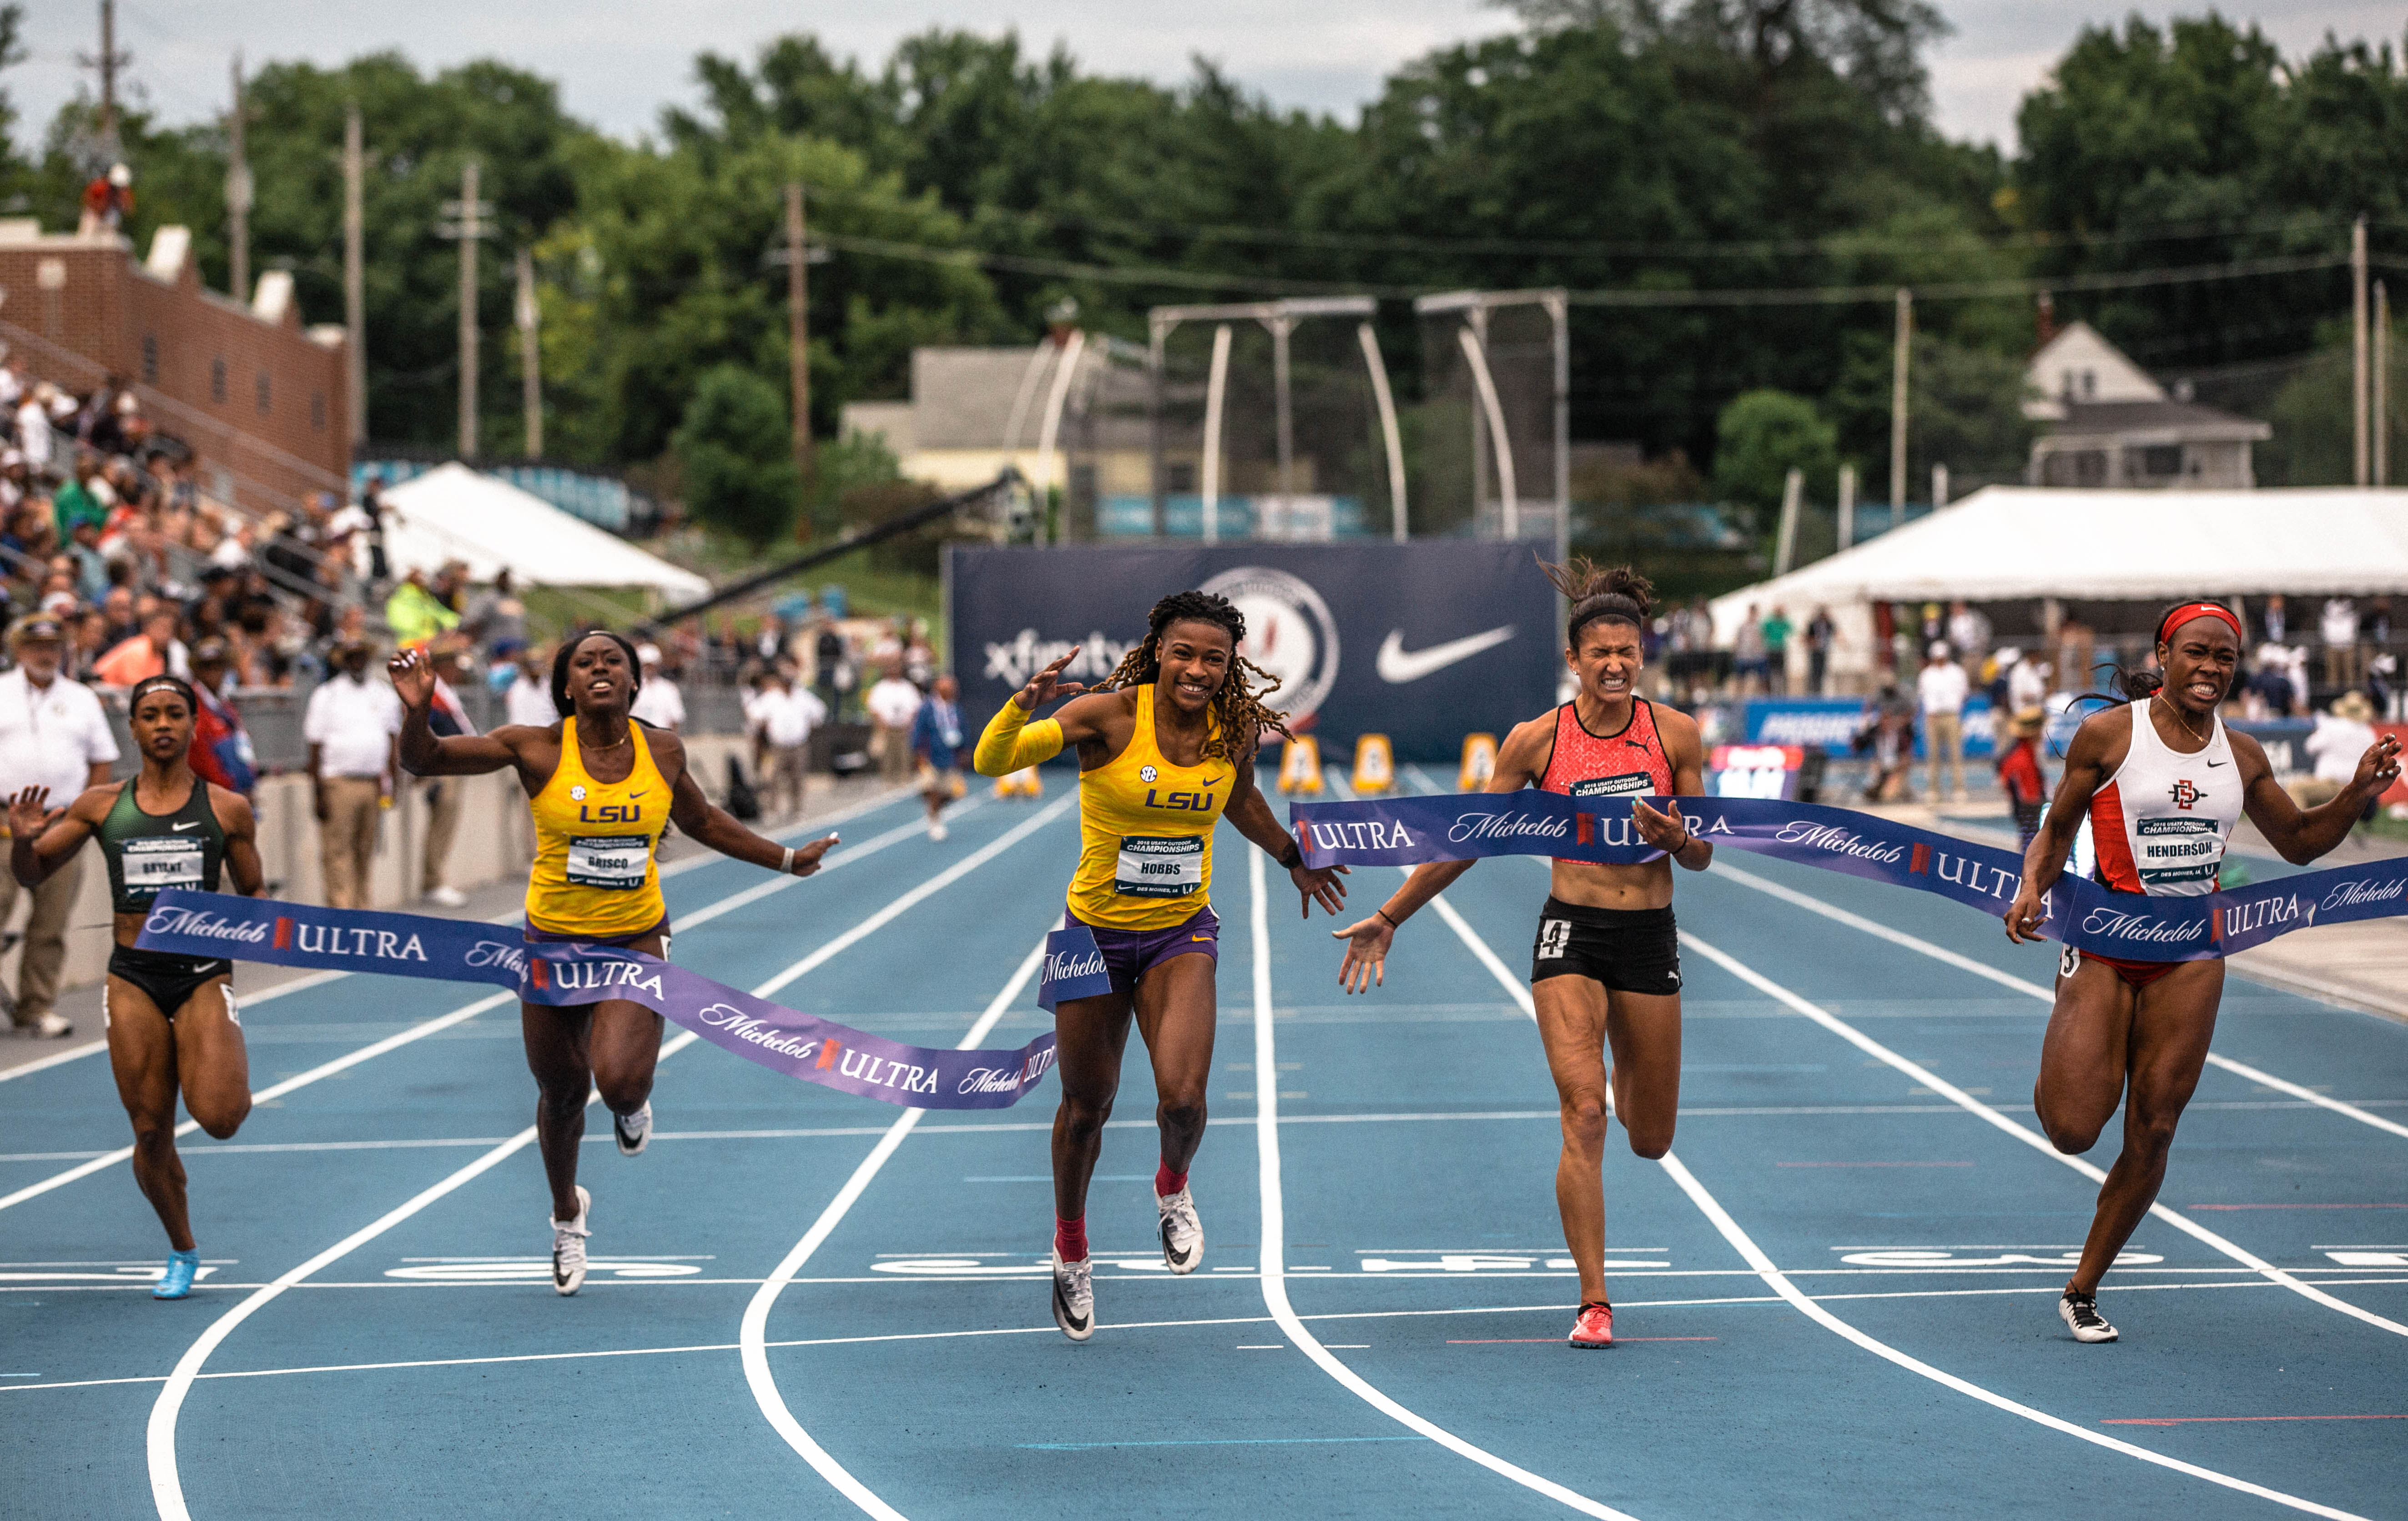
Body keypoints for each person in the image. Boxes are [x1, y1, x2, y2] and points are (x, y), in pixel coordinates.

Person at [390, 632, 840, 1294]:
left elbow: (703, 821)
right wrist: (416, 710)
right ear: (566, 686)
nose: (600, 669)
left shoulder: (663, 750)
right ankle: (567, 1215)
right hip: (552, 943)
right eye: (585, 663)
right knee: (562, 1094)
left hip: (634, 939)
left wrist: (785, 859)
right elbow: (424, 759)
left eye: (613, 662)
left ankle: (631, 1106)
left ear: (634, 683)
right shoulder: (535, 748)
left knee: (622, 1084)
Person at [1330, 562, 1707, 1350]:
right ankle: (1594, 1299)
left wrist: (1679, 838)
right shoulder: (1537, 741)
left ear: (1641, 657)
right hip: (1571, 931)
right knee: (1583, 1113)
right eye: (1600, 653)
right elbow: (1468, 837)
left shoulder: (1674, 733)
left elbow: (1705, 851)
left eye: (1627, 653)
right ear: (1573, 659)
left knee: (1649, 1137)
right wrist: (1391, 915)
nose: (1614, 665)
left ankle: (1622, 1062)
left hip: (1648, 935)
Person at [2003, 603, 2401, 1344]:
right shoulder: (2108, 735)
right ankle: (2075, 1054)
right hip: (2106, 937)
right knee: (2071, 1129)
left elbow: (2298, 843)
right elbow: (2055, 827)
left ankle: (2082, 1288)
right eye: (2196, 652)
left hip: (2189, 951)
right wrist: (2033, 885)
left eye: (2224, 656)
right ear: (2163, 655)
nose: (2210, 667)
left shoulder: (2241, 754)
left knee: (2154, 1127)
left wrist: (2355, 794)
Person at [973, 590, 1348, 1342]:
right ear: (1157, 653)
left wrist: (1292, 858)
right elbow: (992, 760)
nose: (1198, 670)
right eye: (1184, 653)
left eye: (1215, 658)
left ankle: (1171, 1188)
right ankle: (1071, 1247)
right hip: (1092, 937)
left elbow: (1240, 800)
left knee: (1182, 1101)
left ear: (1229, 666)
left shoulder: (1231, 729)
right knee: (1086, 1106)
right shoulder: (1107, 716)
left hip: (1181, 934)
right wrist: (1020, 708)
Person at [9, 675, 264, 1297]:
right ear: (132, 728)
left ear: (193, 724)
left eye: (175, 713)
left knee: (221, 1117)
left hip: (202, 973)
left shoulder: (226, 808)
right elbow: (34, 872)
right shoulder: (102, 805)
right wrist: (22, 840)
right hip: (133, 976)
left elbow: (254, 890)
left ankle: (213, 1066)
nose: (163, 724)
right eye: (150, 715)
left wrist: (248, 928)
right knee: (150, 1130)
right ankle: (182, 1248)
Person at [0, 615, 120, 1036]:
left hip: (61, 820)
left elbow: (102, 759)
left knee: (51, 922)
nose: (45, 653)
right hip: (4, 819)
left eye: (53, 645)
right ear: (19, 649)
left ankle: (36, 1008)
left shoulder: (82, 698)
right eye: (36, 645)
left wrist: (85, 816)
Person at [304, 638, 399, 909]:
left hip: (372, 782)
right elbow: (315, 746)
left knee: (365, 850)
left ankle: (362, 909)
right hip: (338, 782)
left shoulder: (384, 693)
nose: (357, 661)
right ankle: (341, 911)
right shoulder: (327, 694)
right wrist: (318, 792)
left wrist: (394, 784)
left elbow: (392, 740)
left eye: (361, 655)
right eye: (352, 656)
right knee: (337, 850)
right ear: (344, 661)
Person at [418, 643, 479, 907]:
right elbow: (424, 731)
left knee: (446, 826)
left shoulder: (446, 692)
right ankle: (433, 882)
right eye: (455, 666)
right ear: (444, 666)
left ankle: (436, 879)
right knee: (441, 826)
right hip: (441, 770)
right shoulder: (433, 695)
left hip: (452, 767)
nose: (459, 672)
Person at [751, 665, 826, 820]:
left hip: (799, 745)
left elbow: (820, 712)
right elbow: (754, 712)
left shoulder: (803, 697)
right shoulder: (772, 697)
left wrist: (808, 726)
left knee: (798, 778)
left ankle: (797, 809)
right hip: (778, 746)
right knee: (774, 779)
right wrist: (765, 726)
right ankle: (772, 810)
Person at [185, 639, 257, 797]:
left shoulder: (226, 705)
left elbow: (243, 743)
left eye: (219, 665)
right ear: (196, 670)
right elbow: (202, 757)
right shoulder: (192, 705)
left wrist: (250, 783)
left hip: (239, 793)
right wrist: (228, 792)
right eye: (207, 666)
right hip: (215, 797)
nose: (214, 671)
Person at [2298, 690, 2381, 816]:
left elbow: (2310, 747)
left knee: (2296, 789)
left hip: (2333, 785)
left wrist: (2318, 731)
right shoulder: (2368, 733)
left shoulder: (2333, 726)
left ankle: (2298, 826)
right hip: (2357, 788)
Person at [911, 673, 965, 840]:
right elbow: (919, 730)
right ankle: (935, 821)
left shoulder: (956, 709)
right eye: (948, 688)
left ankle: (934, 809)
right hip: (931, 756)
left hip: (949, 757)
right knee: (933, 790)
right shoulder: (928, 709)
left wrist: (965, 751)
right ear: (938, 689)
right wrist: (918, 752)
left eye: (953, 688)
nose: (952, 691)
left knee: (950, 793)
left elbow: (963, 729)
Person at [1917, 640, 1970, 802]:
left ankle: (1959, 789)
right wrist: (1929, 712)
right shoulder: (1927, 675)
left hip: (1951, 715)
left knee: (1956, 754)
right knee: (1933, 756)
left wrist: (1956, 708)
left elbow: (1964, 693)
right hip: (1933, 717)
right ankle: (1933, 791)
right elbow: (1923, 695)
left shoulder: (1957, 672)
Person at [1996, 706, 2048, 848]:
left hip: (2029, 814)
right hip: (2032, 816)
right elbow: (2030, 799)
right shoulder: (2021, 759)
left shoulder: (2025, 753)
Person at [866, 662, 923, 785]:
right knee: (887, 757)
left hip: (904, 729)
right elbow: (873, 709)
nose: (894, 671)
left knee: (905, 756)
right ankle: (888, 782)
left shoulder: (908, 687)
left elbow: (917, 708)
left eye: (896, 668)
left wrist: (909, 722)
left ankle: (905, 781)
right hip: (886, 729)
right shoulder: (880, 688)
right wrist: (882, 724)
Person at [629, 644, 685, 732]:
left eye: (652, 665)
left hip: (662, 736)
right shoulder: (631, 688)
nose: (649, 668)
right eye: (646, 665)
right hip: (638, 736)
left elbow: (675, 720)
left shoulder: (669, 689)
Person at [1760, 605, 1793, 696]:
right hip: (1771, 649)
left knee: (1782, 672)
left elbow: (1791, 630)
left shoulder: (1784, 621)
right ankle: (1770, 693)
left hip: (1781, 649)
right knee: (1769, 672)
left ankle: (1783, 692)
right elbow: (1763, 633)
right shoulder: (1769, 621)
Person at [1803, 606, 1835, 695]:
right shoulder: (1813, 624)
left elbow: (1835, 633)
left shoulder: (1828, 624)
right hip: (1815, 651)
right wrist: (1814, 643)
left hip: (1824, 651)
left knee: (1822, 671)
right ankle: (1813, 691)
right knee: (1814, 671)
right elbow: (1808, 637)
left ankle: (1820, 691)